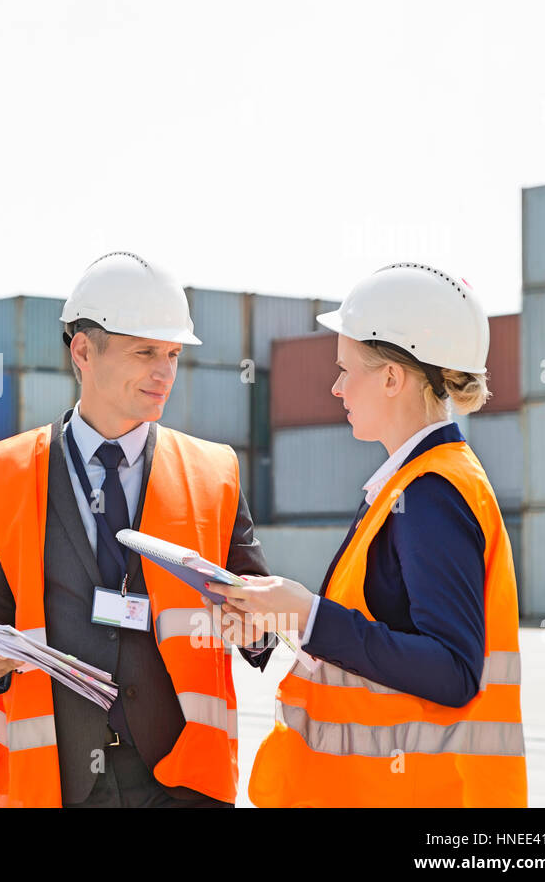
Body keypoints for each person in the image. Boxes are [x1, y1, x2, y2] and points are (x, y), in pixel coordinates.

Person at [0, 251, 279, 808]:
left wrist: (253, 627)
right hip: (65, 779)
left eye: (173, 353)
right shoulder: (8, 472)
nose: (164, 372)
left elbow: (262, 624)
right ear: (83, 350)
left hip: (182, 779)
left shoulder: (213, 471)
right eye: (145, 351)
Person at [211, 262, 527, 807]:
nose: (335, 387)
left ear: (391, 377)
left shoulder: (431, 494)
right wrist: (276, 623)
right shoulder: (409, 486)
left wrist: (306, 615)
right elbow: (375, 644)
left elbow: (453, 670)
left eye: (345, 369)